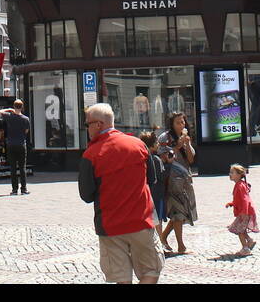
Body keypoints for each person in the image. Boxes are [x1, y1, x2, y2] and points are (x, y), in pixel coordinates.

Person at [78, 103, 164, 285]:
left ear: (99, 124)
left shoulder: (90, 155)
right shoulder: (138, 145)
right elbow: (151, 179)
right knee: (151, 271)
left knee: (121, 279)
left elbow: (86, 195)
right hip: (141, 221)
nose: (87, 128)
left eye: (88, 124)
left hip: (110, 226)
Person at [157, 111, 197, 255]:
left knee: (180, 211)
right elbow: (163, 157)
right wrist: (177, 147)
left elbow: (191, 160)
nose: (182, 124)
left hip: (185, 178)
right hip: (172, 179)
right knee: (177, 212)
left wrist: (186, 144)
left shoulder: (186, 137)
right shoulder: (165, 137)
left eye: (183, 121)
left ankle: (163, 237)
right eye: (178, 122)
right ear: (172, 124)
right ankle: (181, 246)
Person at [138, 130, 167, 243]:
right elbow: (161, 176)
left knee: (151, 221)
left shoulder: (141, 157)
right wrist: (168, 164)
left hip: (147, 195)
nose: (158, 144)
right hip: (157, 195)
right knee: (157, 220)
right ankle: (160, 243)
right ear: (151, 145)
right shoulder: (155, 159)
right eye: (156, 143)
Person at [0, 101, 32, 195]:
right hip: (21, 144)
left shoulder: (9, 116)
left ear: (14, 106)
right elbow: (26, 131)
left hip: (11, 144)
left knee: (13, 168)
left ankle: (14, 189)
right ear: (22, 107)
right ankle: (24, 189)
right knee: (22, 167)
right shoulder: (26, 119)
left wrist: (9, 110)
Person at [225, 165, 259, 256]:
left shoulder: (240, 185)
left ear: (239, 175)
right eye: (230, 172)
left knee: (239, 231)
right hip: (245, 211)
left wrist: (244, 212)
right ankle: (250, 241)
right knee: (242, 229)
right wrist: (231, 204)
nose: (230, 174)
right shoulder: (239, 185)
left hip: (244, 212)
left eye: (232, 172)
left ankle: (245, 249)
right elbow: (238, 200)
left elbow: (245, 200)